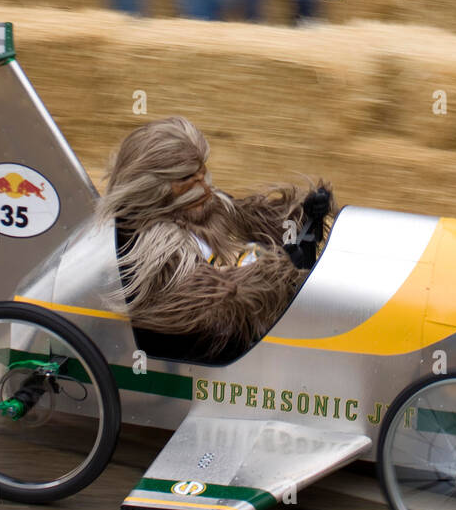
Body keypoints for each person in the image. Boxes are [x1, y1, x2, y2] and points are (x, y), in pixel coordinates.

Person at [98, 117, 334, 358]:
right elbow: (205, 305)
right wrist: (277, 275)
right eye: (186, 178)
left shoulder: (204, 206)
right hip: (214, 344)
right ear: (151, 188)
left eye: (202, 170)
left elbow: (252, 218)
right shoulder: (155, 246)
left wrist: (300, 217)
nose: (203, 182)